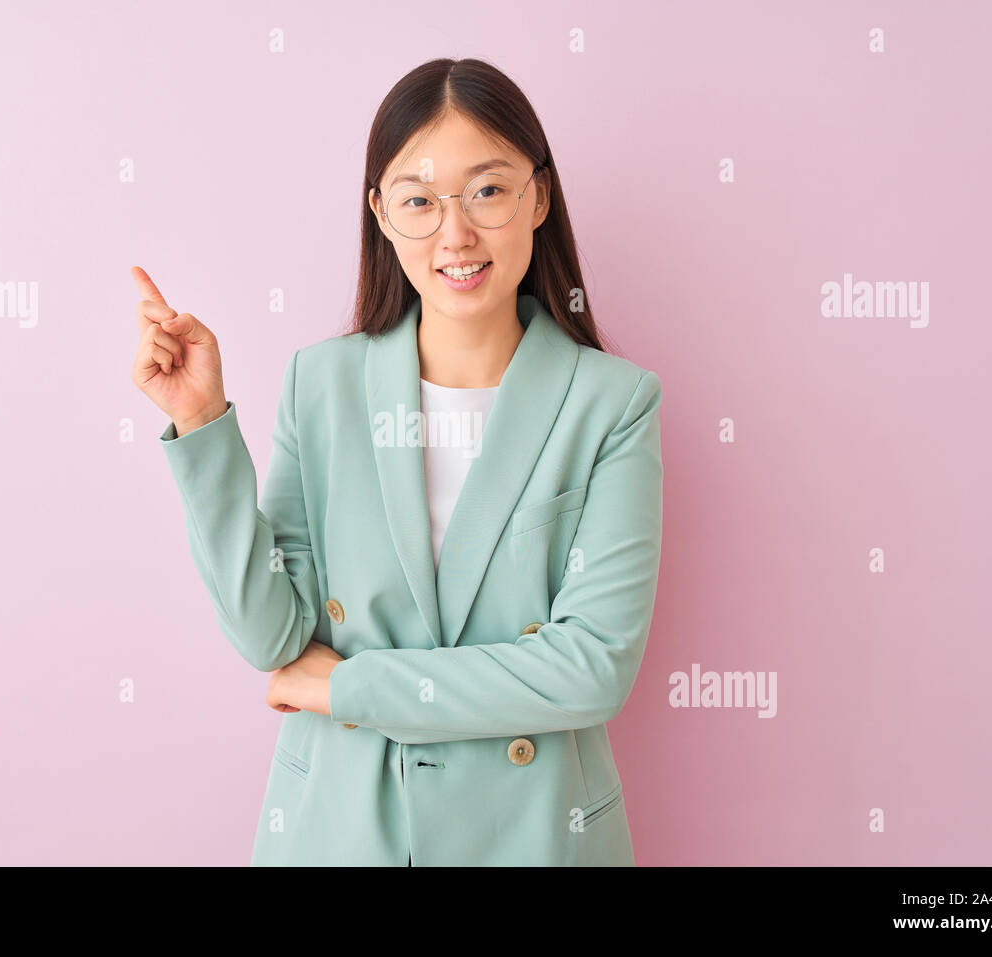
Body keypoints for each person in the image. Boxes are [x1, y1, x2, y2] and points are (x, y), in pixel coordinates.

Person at [130, 57, 663, 866]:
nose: (455, 234)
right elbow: (274, 633)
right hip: (343, 828)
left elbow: (590, 669)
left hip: (535, 834)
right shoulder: (324, 382)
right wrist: (202, 422)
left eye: (487, 190)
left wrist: (349, 688)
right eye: (419, 200)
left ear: (539, 197)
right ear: (381, 213)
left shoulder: (613, 404)